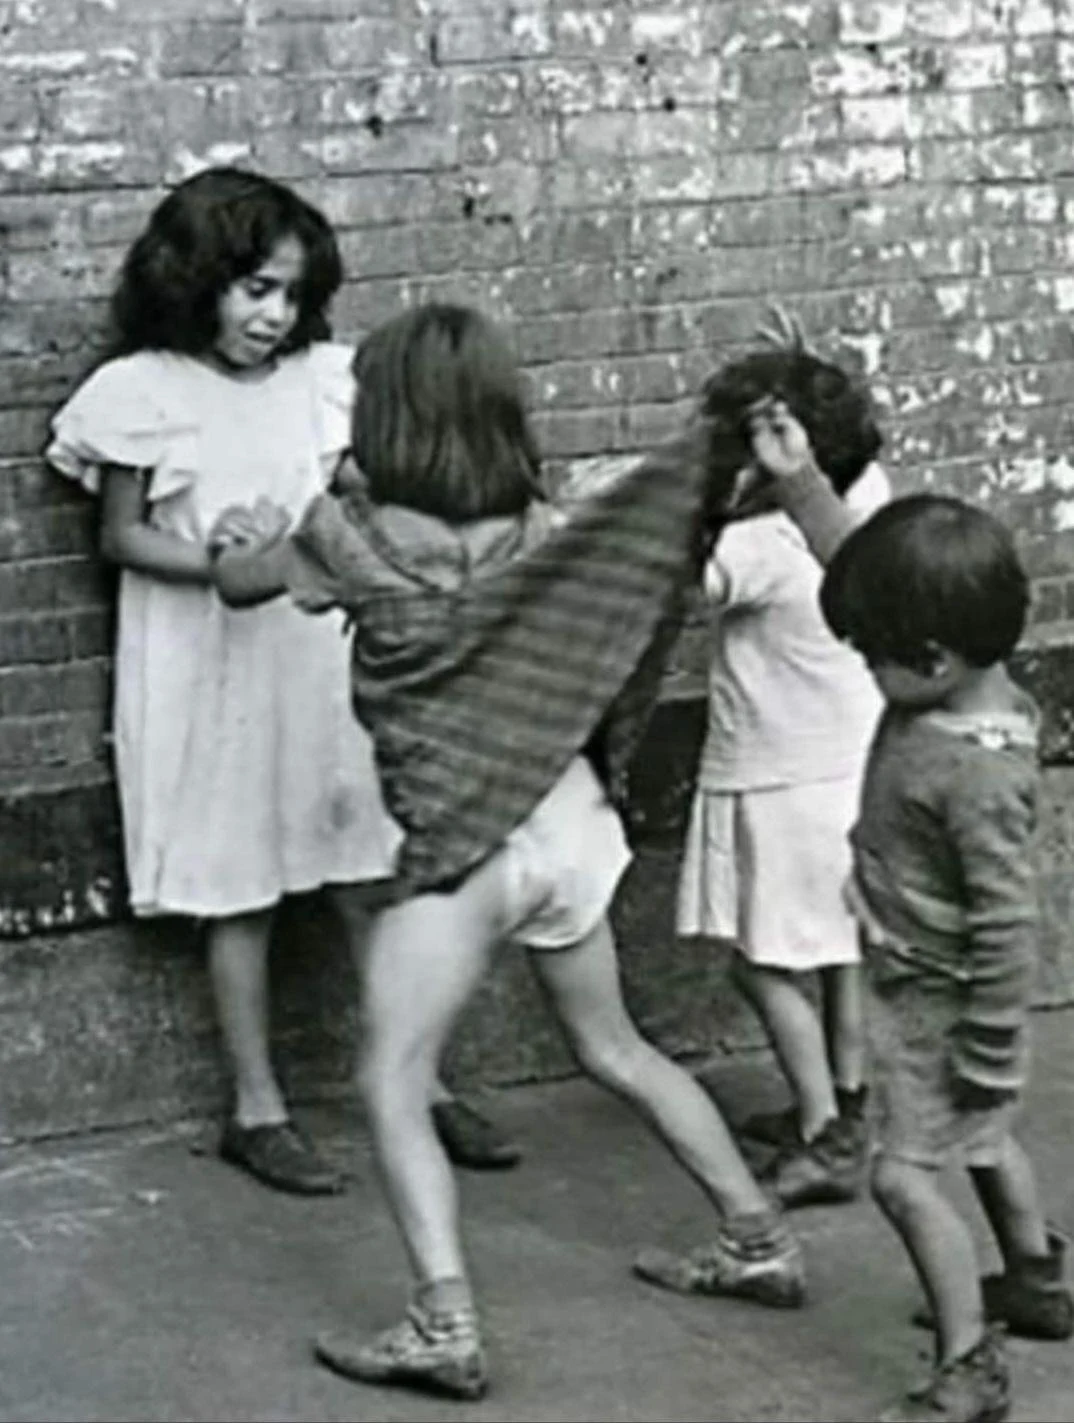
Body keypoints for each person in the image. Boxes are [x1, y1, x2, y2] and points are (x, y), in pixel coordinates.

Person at [210, 302, 806, 1402]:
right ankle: (756, 1236)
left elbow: (242, 581)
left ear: (384, 415)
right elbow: (641, 556)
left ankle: (442, 1324)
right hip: (569, 825)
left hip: (466, 851)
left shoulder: (347, 534)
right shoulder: (550, 532)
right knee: (617, 1047)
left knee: (390, 1077)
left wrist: (235, 535)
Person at [46, 168, 519, 1197]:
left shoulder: (328, 381)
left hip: (318, 654)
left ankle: (418, 1079)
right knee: (240, 885)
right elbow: (123, 536)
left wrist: (335, 531)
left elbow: (360, 493)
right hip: (212, 661)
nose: (275, 315)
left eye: (292, 294)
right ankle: (257, 1106)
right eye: (254, 288)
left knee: (366, 869)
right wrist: (224, 559)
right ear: (193, 278)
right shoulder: (144, 390)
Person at [747, 395, 1072, 1423]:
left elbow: (1010, 924)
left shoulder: (975, 774)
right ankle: (1035, 1277)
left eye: (872, 654)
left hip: (944, 999)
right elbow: (866, 569)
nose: (862, 665)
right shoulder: (964, 676)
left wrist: (987, 1047)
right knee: (984, 1138)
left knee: (903, 1176)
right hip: (932, 979)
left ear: (930, 657)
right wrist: (802, 482)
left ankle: (971, 1368)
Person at [678, 341, 888, 1208]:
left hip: (778, 778)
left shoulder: (760, 544)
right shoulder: (870, 498)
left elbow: (686, 580)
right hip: (853, 767)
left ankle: (819, 1131)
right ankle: (851, 1099)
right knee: (841, 954)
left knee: (762, 966)